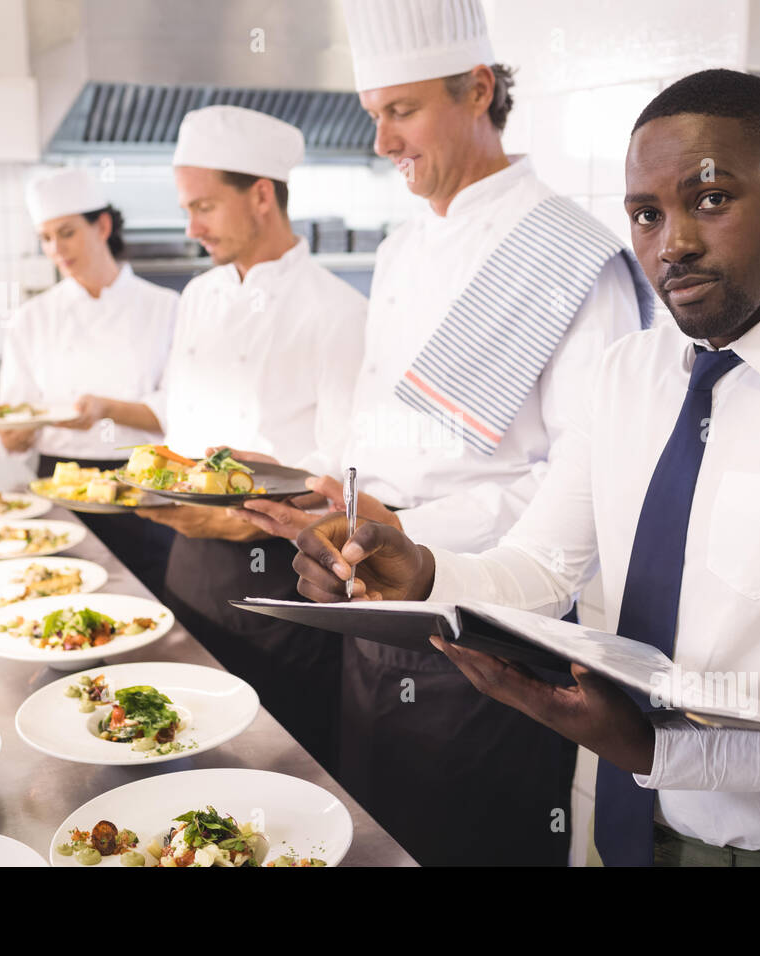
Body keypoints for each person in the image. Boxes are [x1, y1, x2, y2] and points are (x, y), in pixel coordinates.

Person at [290, 68, 760, 867]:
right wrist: (420, 572)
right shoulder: (628, 376)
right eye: (646, 215)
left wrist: (670, 751)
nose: (675, 243)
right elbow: (542, 566)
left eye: (712, 200)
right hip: (619, 836)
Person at [233, 0, 653, 866]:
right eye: (371, 114)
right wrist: (319, 493)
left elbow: (587, 483)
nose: (381, 141)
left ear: (478, 88)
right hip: (372, 613)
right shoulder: (399, 249)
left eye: (401, 109)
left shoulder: (571, 253)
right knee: (372, 840)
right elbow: (375, 436)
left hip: (488, 638)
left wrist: (409, 531)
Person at [122, 106, 368, 772]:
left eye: (204, 206)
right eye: (186, 207)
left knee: (279, 768)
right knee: (182, 753)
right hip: (188, 566)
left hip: (281, 588)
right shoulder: (198, 294)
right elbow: (180, 430)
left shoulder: (338, 311)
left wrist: (242, 517)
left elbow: (345, 472)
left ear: (262, 195)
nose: (190, 226)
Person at [0, 167, 178, 596]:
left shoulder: (165, 307)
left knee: (152, 606)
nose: (55, 249)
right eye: (45, 238)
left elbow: (180, 411)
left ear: (102, 226)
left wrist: (107, 409)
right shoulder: (31, 318)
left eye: (66, 233)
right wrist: (14, 432)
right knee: (63, 604)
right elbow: (13, 433)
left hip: (144, 490)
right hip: (58, 488)